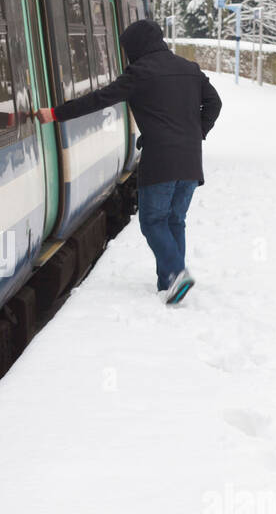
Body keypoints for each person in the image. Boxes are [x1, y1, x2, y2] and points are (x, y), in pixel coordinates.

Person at [35, 18, 222, 304]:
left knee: (152, 220)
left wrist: (55, 114)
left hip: (161, 160)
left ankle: (176, 273)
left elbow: (99, 100)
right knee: (174, 220)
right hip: (190, 159)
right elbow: (214, 103)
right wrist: (198, 132)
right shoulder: (189, 69)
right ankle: (168, 285)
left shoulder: (140, 73)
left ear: (136, 47)